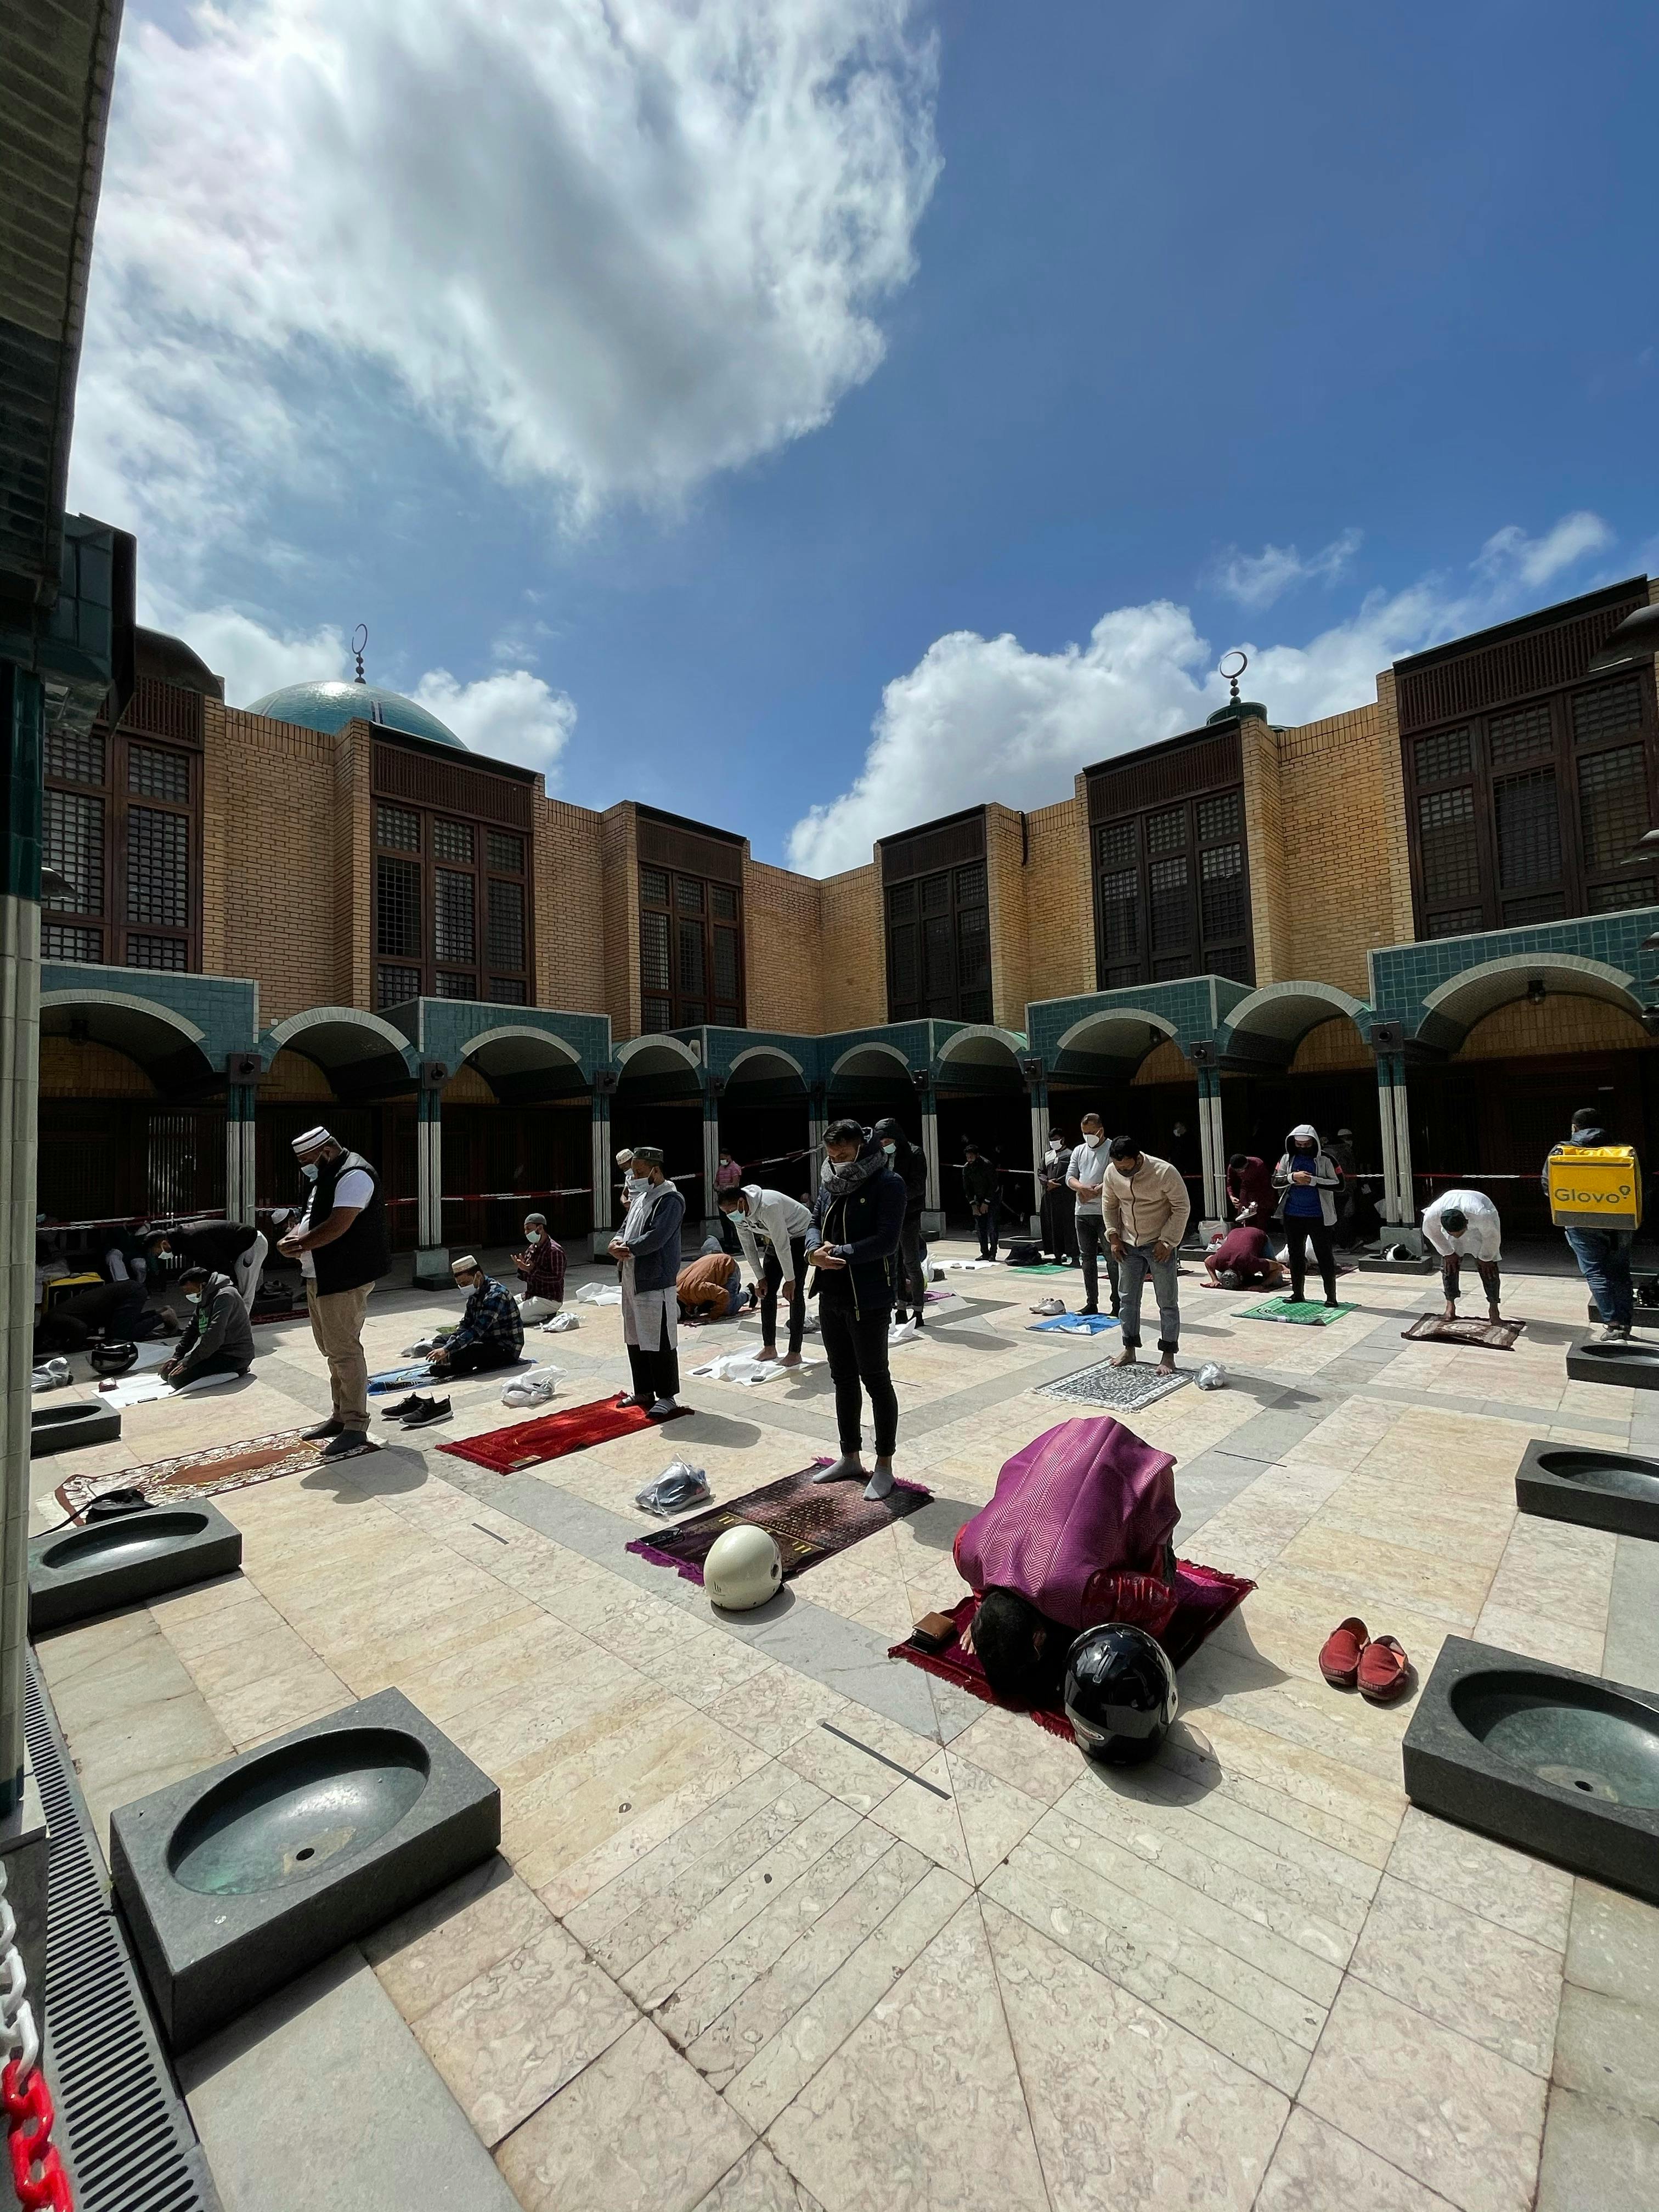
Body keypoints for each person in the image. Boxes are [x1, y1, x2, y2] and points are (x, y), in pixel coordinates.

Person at [953, 1415, 1180, 1707]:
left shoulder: (1086, 1594)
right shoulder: (969, 1553)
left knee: (1138, 1601)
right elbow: (983, 1584)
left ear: (1039, 1639)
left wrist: (1128, 1651)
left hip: (1134, 1466)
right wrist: (986, 1617)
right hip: (1062, 1447)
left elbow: (1163, 1599)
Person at [279, 1125, 391, 1462]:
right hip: (320, 1274)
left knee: (344, 1351)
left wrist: (300, 1244)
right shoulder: (324, 1176)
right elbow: (315, 1217)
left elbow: (341, 1222)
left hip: (345, 1275)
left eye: (307, 1160)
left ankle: (356, 1425)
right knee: (331, 1350)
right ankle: (341, 1415)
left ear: (326, 1151)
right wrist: (296, 1236)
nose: (304, 1167)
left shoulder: (354, 1174)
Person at [808, 1119, 905, 1500]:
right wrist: (813, 1251)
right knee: (842, 1377)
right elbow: (815, 1219)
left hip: (869, 1296)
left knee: (876, 1379)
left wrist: (841, 1253)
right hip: (832, 1294)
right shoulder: (831, 1182)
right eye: (832, 1156)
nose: (837, 1162)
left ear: (861, 1150)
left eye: (844, 1155)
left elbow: (887, 1240)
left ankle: (884, 1465)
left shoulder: (887, 1183)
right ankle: (849, 1455)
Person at [1545, 1107, 1635, 1340]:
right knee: (1621, 1273)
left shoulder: (1561, 1151)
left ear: (1575, 1128)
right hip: (1619, 1222)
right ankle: (1625, 1323)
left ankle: (1612, 1323)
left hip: (1579, 1221)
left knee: (1595, 1272)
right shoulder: (1622, 1151)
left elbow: (1548, 1186)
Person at [609, 1144, 685, 1415]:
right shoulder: (641, 1197)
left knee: (659, 1338)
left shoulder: (671, 1200)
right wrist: (616, 1241)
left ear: (655, 1170)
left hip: (655, 1280)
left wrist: (627, 1248)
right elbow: (626, 1225)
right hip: (632, 1277)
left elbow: (657, 1236)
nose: (634, 1177)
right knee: (635, 1336)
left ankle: (667, 1396)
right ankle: (643, 1390)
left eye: (639, 1172)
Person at [1103, 1137, 1189, 1371]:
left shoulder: (1164, 1172)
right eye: (1119, 1167)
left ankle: (1168, 1355)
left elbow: (1182, 1207)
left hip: (1159, 1244)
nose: (1124, 1172)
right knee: (1127, 1299)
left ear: (1138, 1158)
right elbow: (1109, 1204)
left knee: (1167, 1301)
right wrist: (1113, 1236)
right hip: (1128, 1243)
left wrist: (1168, 1241)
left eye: (1127, 1167)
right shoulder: (1112, 1172)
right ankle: (1129, 1349)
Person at [720, 1181, 814, 1364]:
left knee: (794, 1294)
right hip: (777, 1237)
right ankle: (769, 1348)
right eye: (725, 1213)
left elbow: (783, 1245)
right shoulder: (738, 1216)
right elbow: (748, 1246)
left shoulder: (768, 1205)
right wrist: (760, 1277)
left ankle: (795, 1352)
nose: (730, 1215)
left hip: (800, 1234)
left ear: (741, 1202)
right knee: (766, 1291)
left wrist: (790, 1279)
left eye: (730, 1210)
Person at [1272, 1124, 1343, 1307]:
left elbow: (1340, 1185)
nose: (1303, 1148)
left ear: (1315, 1143)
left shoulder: (1327, 1160)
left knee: (1324, 1255)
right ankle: (1297, 1294)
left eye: (1307, 1145)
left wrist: (1313, 1181)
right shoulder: (1287, 1159)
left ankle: (1331, 1297)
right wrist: (1292, 1177)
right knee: (1295, 1255)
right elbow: (1275, 1181)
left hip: (1319, 1216)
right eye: (1299, 1145)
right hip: (1292, 1214)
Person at [430, 1256, 527, 1376]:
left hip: (504, 1347)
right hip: (485, 1340)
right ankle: (450, 1359)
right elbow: (466, 1324)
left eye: (465, 1283)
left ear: (478, 1276)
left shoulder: (496, 1295)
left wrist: (447, 1350)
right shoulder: (475, 1293)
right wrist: (449, 1344)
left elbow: (477, 1330)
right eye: (460, 1285)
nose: (463, 1287)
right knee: (440, 1340)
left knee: (467, 1350)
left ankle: (454, 1366)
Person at [161, 1267, 256, 1390]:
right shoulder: (205, 1296)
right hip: (215, 1353)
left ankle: (239, 1370)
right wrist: (177, 1356)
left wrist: (190, 1362)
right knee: (167, 1373)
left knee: (176, 1380)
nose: (190, 1296)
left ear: (203, 1285)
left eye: (191, 1292)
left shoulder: (226, 1296)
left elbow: (214, 1335)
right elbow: (192, 1328)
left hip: (234, 1355)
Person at [873, 1116, 929, 1324]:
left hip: (909, 1215)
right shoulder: (881, 1157)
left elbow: (918, 1186)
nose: (884, 1146)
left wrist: (895, 1195)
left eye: (887, 1143)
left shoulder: (914, 1153)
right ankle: (900, 1307)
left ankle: (918, 1309)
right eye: (881, 1144)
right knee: (892, 1264)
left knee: (911, 1262)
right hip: (888, 1217)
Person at [33, 1276, 170, 1358]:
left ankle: (163, 1317)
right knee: (116, 1332)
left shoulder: (51, 1320)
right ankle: (157, 1313)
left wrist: (70, 1348)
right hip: (121, 1298)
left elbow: (80, 1329)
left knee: (122, 1336)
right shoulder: (54, 1322)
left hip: (129, 1294)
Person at [1421, 1189, 1503, 1322]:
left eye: (1459, 1232)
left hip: (1481, 1230)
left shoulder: (1481, 1214)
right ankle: (1450, 1307)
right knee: (1449, 1265)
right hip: (1453, 1224)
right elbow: (1432, 1233)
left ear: (1466, 1222)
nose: (1458, 1236)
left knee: (1489, 1268)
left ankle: (1494, 1309)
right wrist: (1448, 1253)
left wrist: (1486, 1258)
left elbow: (1492, 1236)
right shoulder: (1433, 1215)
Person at [1068, 1111, 1118, 1317]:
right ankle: (1092, 1303)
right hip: (1082, 1213)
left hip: (1105, 1213)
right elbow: (1070, 1176)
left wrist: (1096, 1191)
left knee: (1112, 1259)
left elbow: (1116, 1174)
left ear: (1101, 1131)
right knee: (1087, 1259)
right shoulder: (1079, 1151)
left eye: (1091, 1132)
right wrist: (1081, 1188)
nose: (1087, 1136)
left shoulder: (1112, 1148)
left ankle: (1118, 1304)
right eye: (1084, 1133)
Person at [169, 1218, 268, 1313]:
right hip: (239, 1249)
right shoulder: (186, 1240)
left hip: (251, 1244)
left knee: (244, 1293)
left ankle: (241, 1325)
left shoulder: (191, 1238)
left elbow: (219, 1261)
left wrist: (231, 1282)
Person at [514, 1212, 566, 1318]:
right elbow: (527, 1276)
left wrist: (531, 1270)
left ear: (540, 1228)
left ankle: (547, 1316)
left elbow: (557, 1278)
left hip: (549, 1299)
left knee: (515, 1317)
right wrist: (523, 1268)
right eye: (525, 1230)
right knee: (505, 1306)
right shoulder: (532, 1249)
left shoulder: (554, 1251)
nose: (526, 1233)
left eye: (529, 1229)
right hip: (531, 1295)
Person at [1203, 1223, 1284, 1290]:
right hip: (1236, 1234)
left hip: (1257, 1235)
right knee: (1222, 1277)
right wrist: (1215, 1280)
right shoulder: (1220, 1262)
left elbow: (1278, 1267)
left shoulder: (1250, 1263)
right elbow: (1207, 1261)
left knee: (1276, 1281)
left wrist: (1263, 1285)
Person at [676, 1249, 749, 1322]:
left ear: (688, 1309)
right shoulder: (677, 1287)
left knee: (729, 1309)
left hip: (728, 1266)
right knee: (705, 1307)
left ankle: (748, 1292)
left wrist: (713, 1316)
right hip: (714, 1262)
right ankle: (732, 1292)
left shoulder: (698, 1290)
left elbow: (724, 1295)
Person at [1040, 1130, 1076, 1264]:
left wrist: (1058, 1183)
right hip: (1050, 1197)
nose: (1053, 1142)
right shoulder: (1048, 1155)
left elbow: (1072, 1173)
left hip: (1066, 1197)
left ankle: (1074, 1256)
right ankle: (1057, 1255)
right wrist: (1046, 1182)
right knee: (1053, 1226)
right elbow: (1041, 1172)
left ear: (1062, 1139)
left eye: (1056, 1139)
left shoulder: (1071, 1155)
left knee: (1069, 1226)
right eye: (1051, 1140)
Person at [962, 1141, 1001, 1260]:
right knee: (980, 1227)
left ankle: (993, 1252)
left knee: (992, 1227)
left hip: (992, 1198)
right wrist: (973, 1204)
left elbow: (993, 1185)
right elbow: (967, 1188)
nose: (969, 1158)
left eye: (971, 1156)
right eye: (967, 1156)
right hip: (978, 1198)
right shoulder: (967, 1168)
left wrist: (987, 1202)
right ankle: (984, 1252)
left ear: (977, 1155)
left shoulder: (987, 1165)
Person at [1226, 1153, 1278, 1239]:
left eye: (1243, 1169)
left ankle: (1260, 1240)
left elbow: (1266, 1185)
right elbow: (1229, 1183)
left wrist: (1255, 1203)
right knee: (1243, 1220)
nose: (1241, 1172)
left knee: (1261, 1222)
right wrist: (1232, 1196)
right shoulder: (1231, 1167)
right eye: (1238, 1171)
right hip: (1246, 1191)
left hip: (1262, 1193)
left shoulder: (1258, 1164)